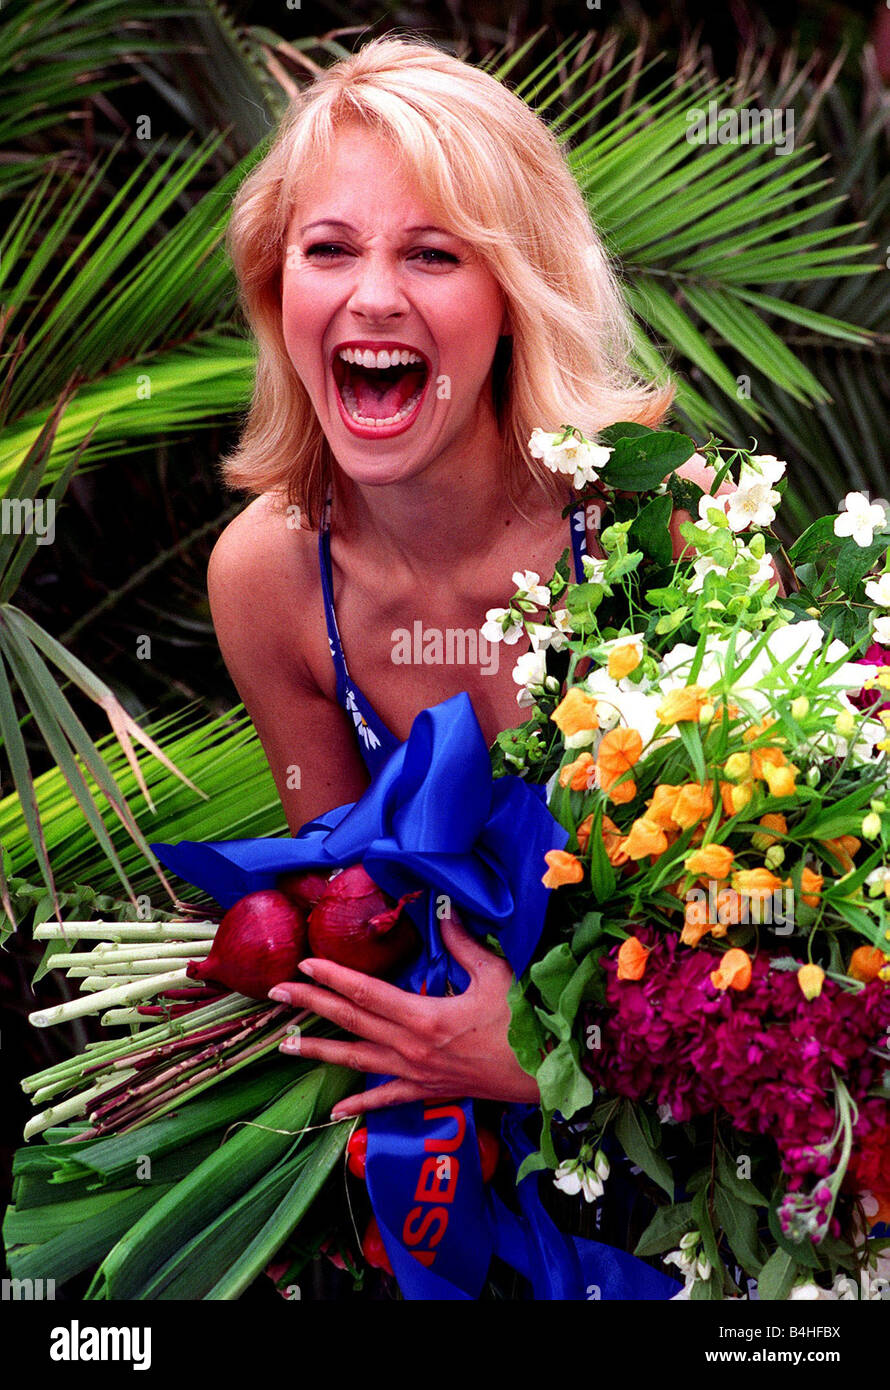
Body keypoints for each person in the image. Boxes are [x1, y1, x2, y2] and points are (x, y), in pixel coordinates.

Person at [206, 35, 726, 1121]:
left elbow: (808, 904)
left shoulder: (663, 520)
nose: (375, 297)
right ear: (276, 286)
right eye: (330, 249)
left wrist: (562, 1061)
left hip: (700, 1121)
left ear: (514, 295)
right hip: (454, 1143)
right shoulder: (267, 575)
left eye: (434, 255)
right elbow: (353, 919)